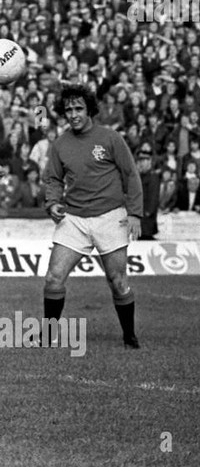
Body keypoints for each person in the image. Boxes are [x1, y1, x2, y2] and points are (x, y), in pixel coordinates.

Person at [41, 84, 143, 349]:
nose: (73, 114)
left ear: (89, 110)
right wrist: (52, 203)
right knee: (53, 277)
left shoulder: (110, 138)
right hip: (74, 218)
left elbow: (130, 175)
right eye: (68, 110)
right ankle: (48, 335)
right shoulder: (60, 144)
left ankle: (129, 336)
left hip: (110, 217)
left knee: (118, 282)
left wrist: (135, 214)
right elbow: (52, 178)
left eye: (78, 109)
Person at [136, 143, 161, 240]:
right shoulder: (139, 176)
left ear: (149, 162)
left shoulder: (152, 177)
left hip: (146, 218)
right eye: (140, 161)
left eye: (144, 161)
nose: (141, 163)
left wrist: (148, 212)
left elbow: (153, 197)